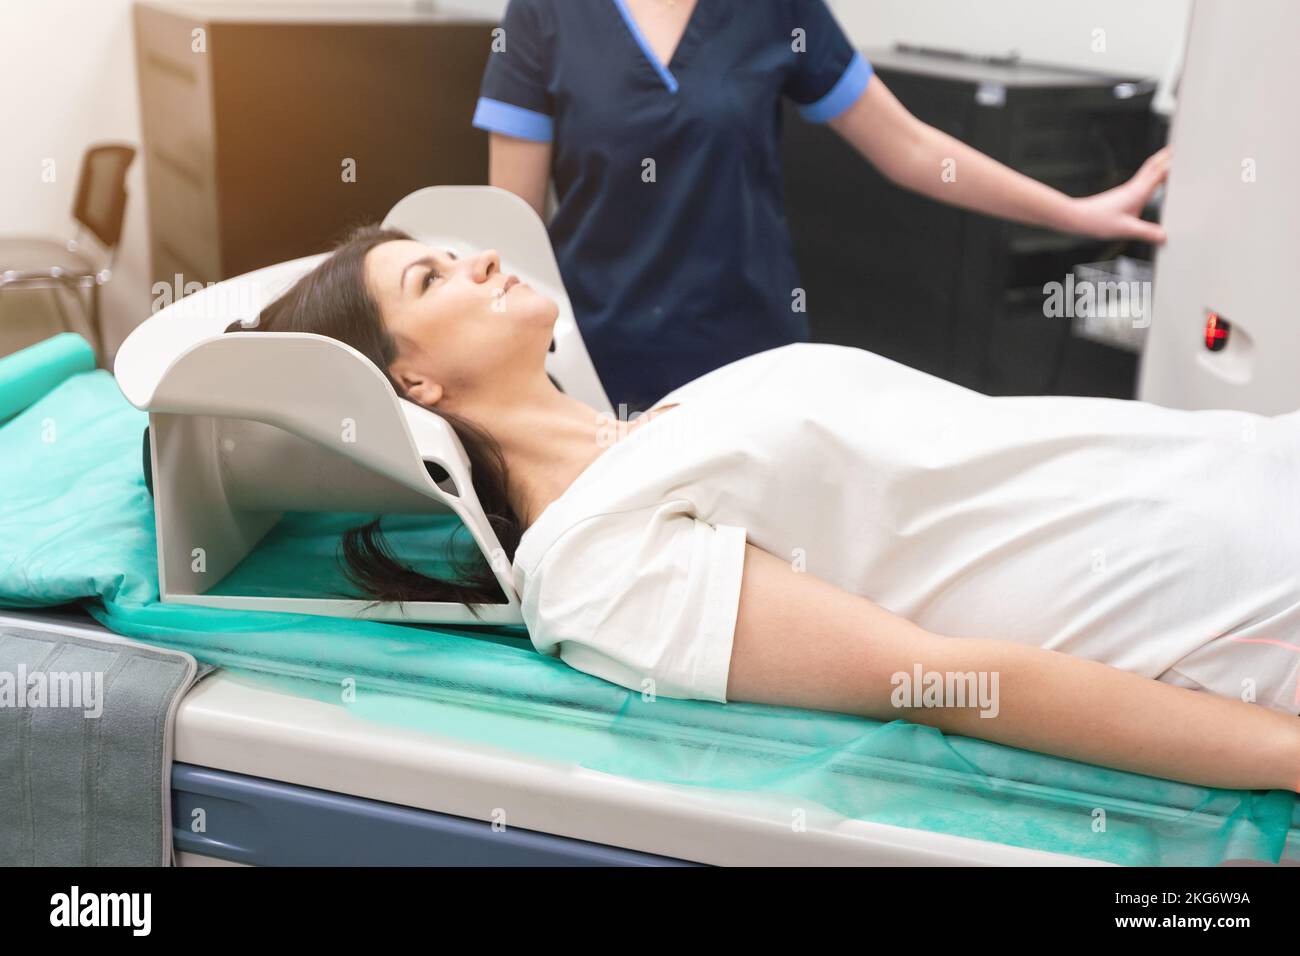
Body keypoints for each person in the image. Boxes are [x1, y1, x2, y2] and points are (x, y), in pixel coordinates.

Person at [228, 226, 1300, 795]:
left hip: (1250, 463)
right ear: (410, 383)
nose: (484, 257)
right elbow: (938, 680)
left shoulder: (667, 418)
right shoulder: (590, 561)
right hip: (1247, 605)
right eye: (433, 275)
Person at [473, 0, 1172, 412]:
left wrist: (1080, 213)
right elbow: (514, 237)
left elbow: (913, 149)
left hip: (752, 366)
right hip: (598, 373)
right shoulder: (544, 13)